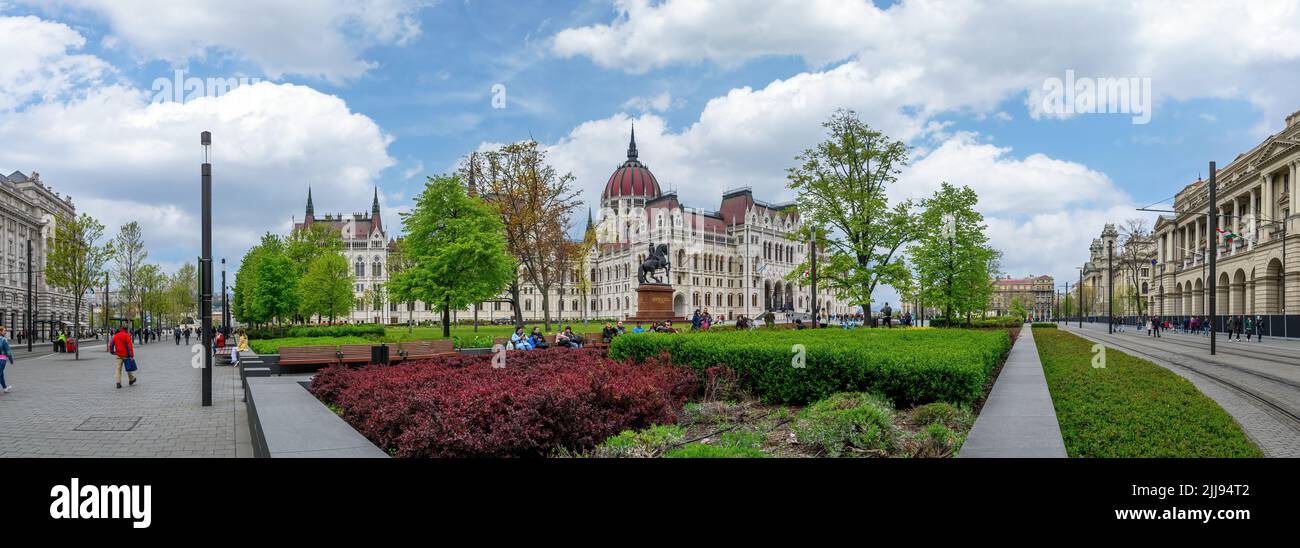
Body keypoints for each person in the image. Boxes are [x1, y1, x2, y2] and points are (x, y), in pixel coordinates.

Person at [111, 325, 137, 389]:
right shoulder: (126, 336)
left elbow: (111, 344)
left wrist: (112, 352)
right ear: (126, 329)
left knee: (118, 369)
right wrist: (131, 355)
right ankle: (131, 379)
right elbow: (129, 346)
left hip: (118, 354)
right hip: (126, 355)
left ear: (120, 329)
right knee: (128, 367)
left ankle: (118, 383)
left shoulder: (115, 336)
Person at [0, 325, 13, 393]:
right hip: (2, 359)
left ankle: (5, 387)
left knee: (1, 374)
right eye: (4, 331)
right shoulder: (4, 339)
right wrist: (11, 360)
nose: (5, 332)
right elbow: (8, 351)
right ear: (1, 331)